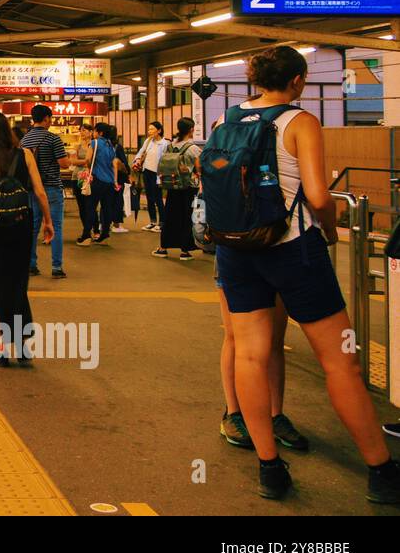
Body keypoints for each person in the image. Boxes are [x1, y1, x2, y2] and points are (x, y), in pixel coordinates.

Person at [214, 45, 398, 503]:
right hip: (293, 249)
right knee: (341, 361)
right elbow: (318, 196)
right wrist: (331, 231)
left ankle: (270, 468)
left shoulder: (226, 121)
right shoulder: (300, 121)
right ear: (297, 81)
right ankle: (381, 471)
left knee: (251, 356)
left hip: (236, 250)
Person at [0, 111, 54, 364]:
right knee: (17, 281)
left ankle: (0, 342)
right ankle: (23, 344)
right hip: (21, 223)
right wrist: (48, 221)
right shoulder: (25, 154)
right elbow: (40, 191)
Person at [217, 291, 308, 452]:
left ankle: (275, 417)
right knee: (235, 337)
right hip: (235, 269)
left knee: (275, 338)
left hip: (277, 270)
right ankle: (232, 414)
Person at [21, 104, 70, 279]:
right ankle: (57, 267)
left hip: (32, 189)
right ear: (47, 118)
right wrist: (68, 159)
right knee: (55, 226)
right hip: (51, 188)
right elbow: (64, 164)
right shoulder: (53, 139)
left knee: (33, 228)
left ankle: (31, 264)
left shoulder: (24, 140)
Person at [153, 117, 200, 260]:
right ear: (191, 129)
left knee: (170, 216)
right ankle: (185, 251)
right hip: (188, 187)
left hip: (172, 185)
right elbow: (200, 169)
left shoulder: (170, 145)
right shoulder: (193, 148)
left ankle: (163, 247)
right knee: (187, 217)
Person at [77, 123, 122, 246]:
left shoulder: (94, 143)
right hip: (109, 182)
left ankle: (86, 236)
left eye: (95, 131)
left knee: (90, 208)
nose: (94, 133)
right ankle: (105, 235)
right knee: (107, 208)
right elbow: (115, 165)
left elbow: (88, 160)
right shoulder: (111, 146)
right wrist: (115, 181)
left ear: (100, 133)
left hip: (97, 180)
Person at [133, 121, 168, 233]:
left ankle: (162, 223)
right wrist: (137, 160)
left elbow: (166, 161)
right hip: (146, 172)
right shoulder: (148, 141)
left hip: (157, 174)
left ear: (159, 130)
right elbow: (140, 152)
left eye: (152, 129)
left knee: (158, 198)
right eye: (149, 129)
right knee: (149, 198)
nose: (149, 132)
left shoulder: (165, 144)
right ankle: (152, 221)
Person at [70, 124, 96, 243]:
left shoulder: (95, 145)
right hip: (77, 178)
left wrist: (82, 162)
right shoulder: (77, 146)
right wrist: (85, 162)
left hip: (91, 178)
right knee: (82, 206)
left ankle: (95, 230)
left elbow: (92, 162)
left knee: (91, 205)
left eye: (84, 130)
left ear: (91, 132)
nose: (82, 132)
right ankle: (87, 231)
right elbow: (72, 160)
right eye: (81, 130)